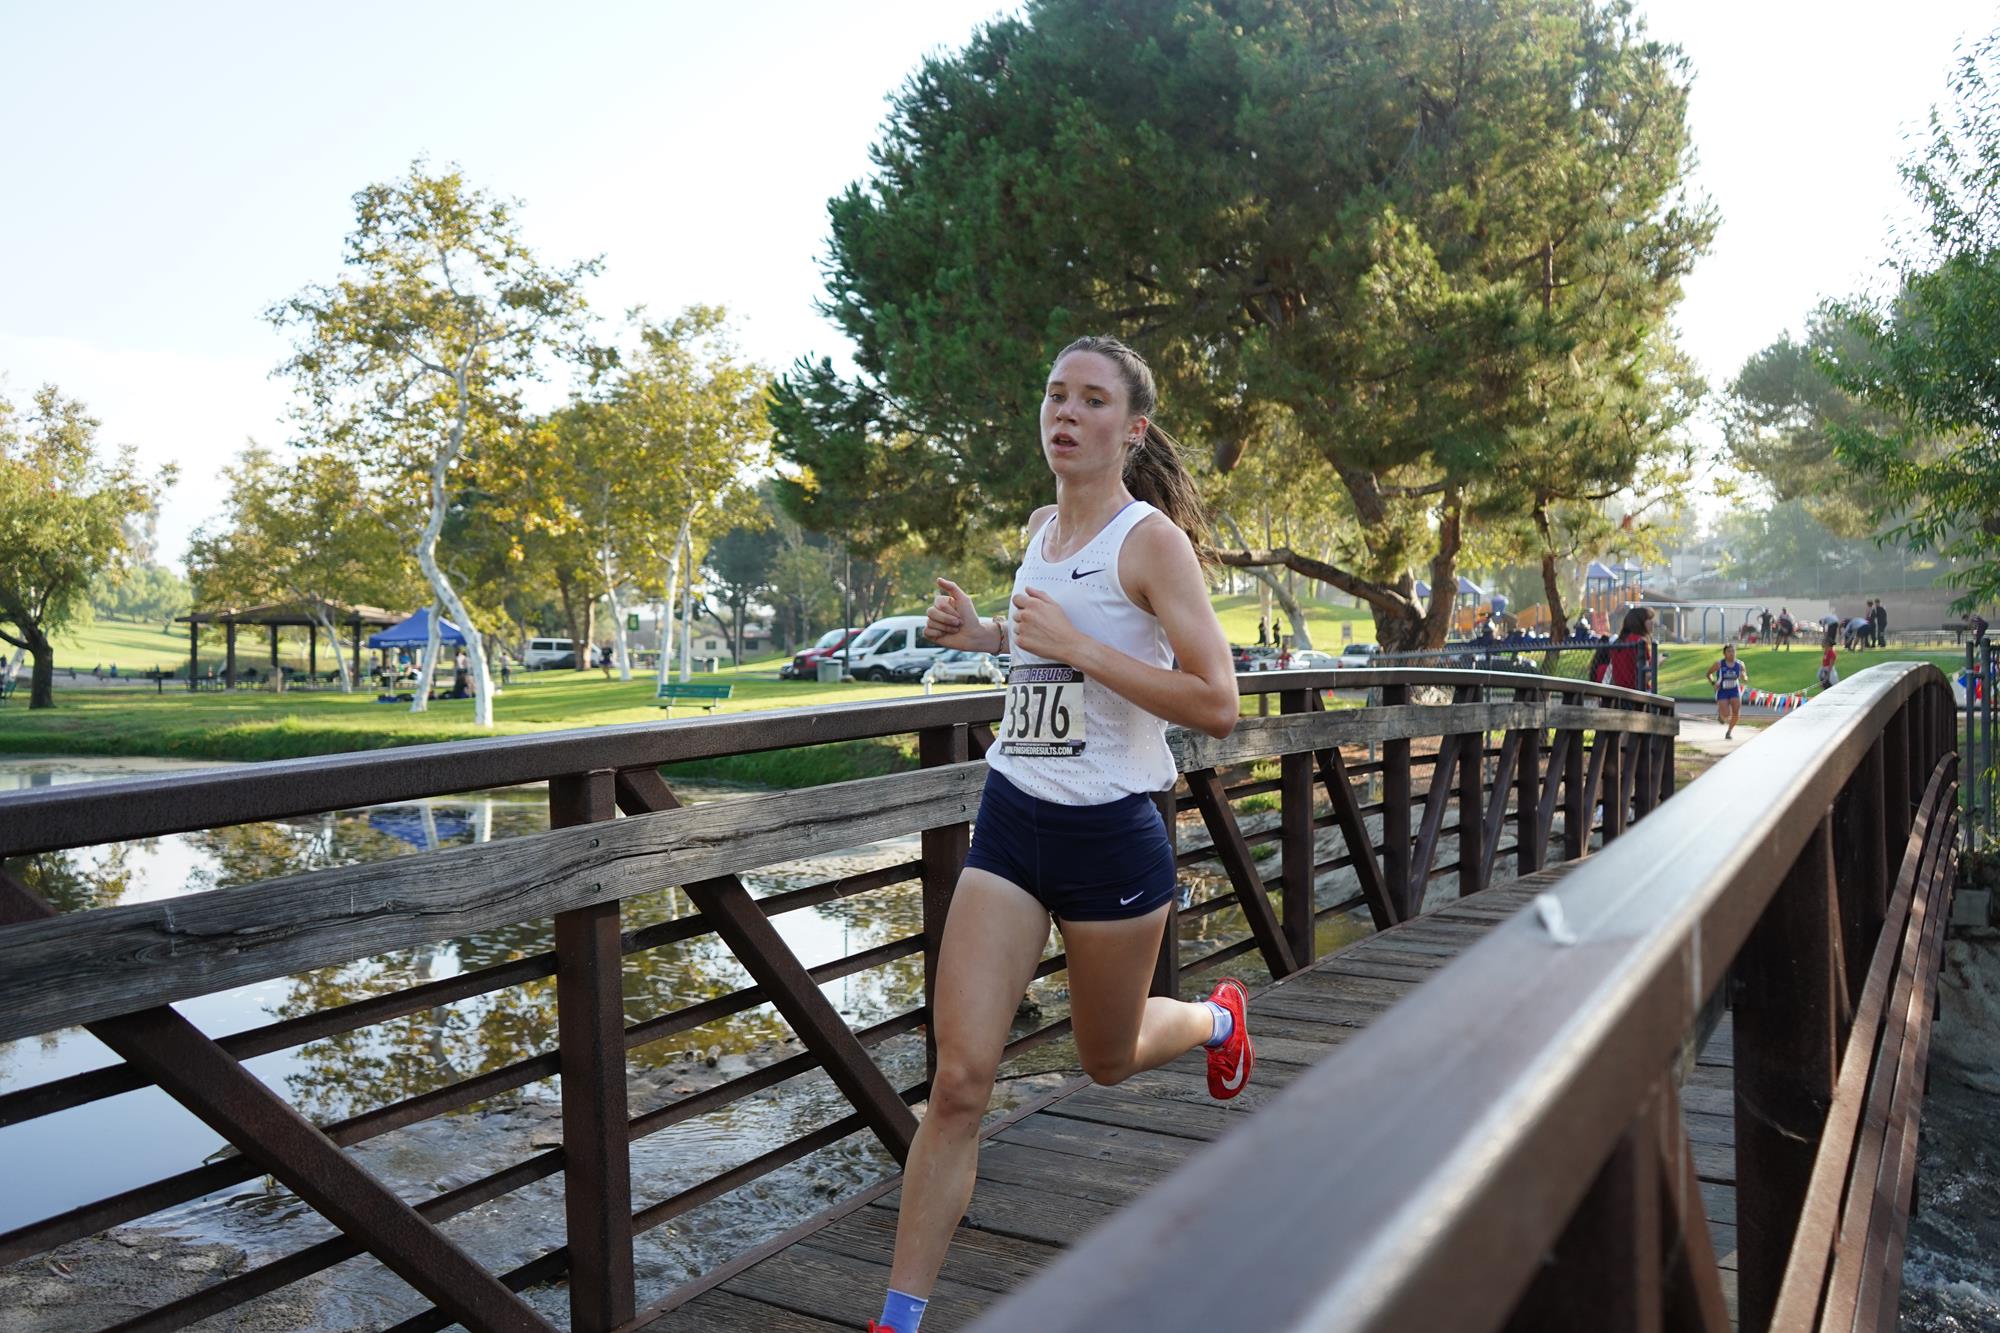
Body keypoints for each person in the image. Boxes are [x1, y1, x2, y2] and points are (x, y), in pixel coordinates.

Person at [883, 335, 1248, 1333]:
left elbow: (1216, 701)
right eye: (1055, 395)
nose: (1066, 413)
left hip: (1109, 836)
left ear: (1131, 430)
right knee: (960, 1082)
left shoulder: (1151, 543)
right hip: (1011, 818)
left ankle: (1217, 1020)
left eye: (1091, 400)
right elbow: (1043, 653)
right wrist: (988, 637)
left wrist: (1076, 646)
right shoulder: (1040, 527)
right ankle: (896, 1320)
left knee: (1106, 1057)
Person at [1707, 642, 1748, 740]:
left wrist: (1744, 677)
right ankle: (1721, 714)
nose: (1731, 653)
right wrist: (1713, 683)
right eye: (1729, 651)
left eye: (1733, 651)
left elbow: (1745, 678)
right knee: (1726, 714)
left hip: (1734, 690)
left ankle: (1729, 732)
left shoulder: (1740, 664)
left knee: (1736, 713)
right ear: (1724, 654)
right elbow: (1708, 674)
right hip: (1722, 690)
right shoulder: (1719, 664)